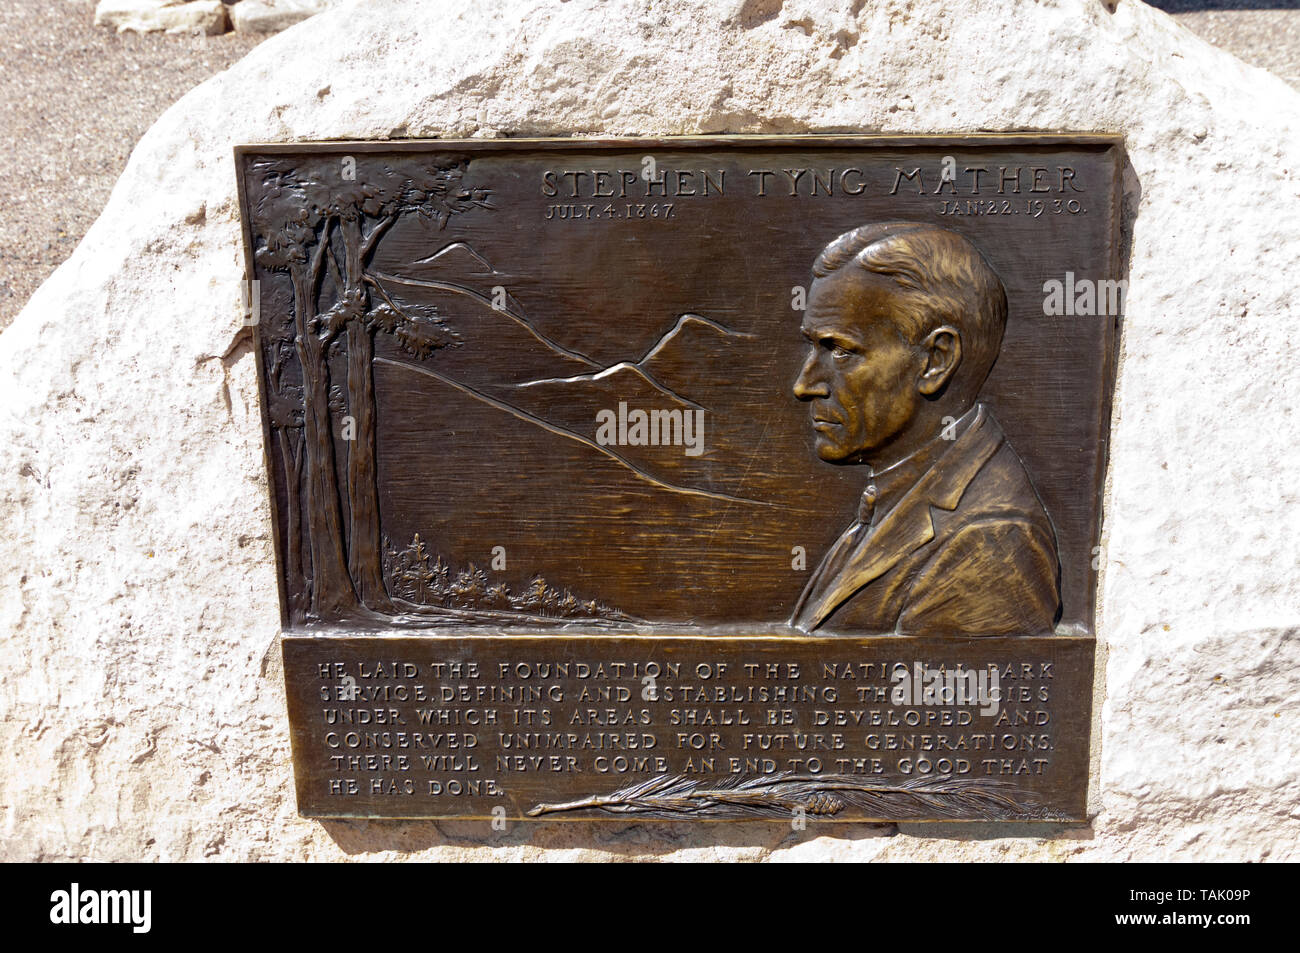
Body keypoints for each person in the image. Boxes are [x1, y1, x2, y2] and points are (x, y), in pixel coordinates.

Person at [789, 222, 1061, 636]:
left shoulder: (989, 545)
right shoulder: (897, 500)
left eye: (841, 350)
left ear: (936, 360)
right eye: (813, 347)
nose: (805, 384)